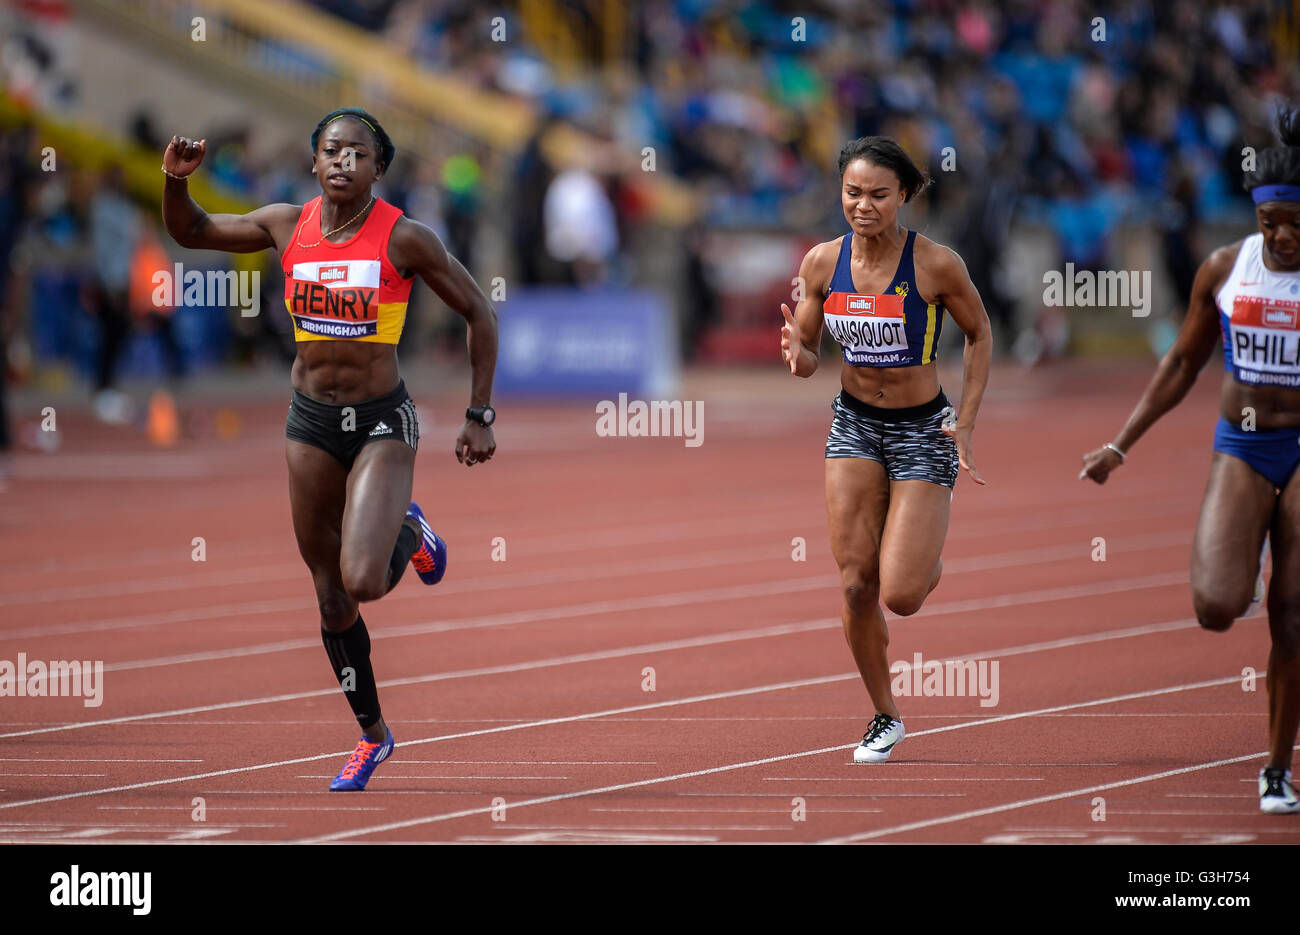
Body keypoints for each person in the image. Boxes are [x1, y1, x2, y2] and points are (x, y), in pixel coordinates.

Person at [162, 107, 499, 791]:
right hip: (311, 424)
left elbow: (479, 311)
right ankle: (372, 735)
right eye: (332, 150)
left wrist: (479, 413)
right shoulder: (286, 225)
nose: (343, 161)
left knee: (365, 579)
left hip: (380, 421)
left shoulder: (406, 239)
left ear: (379, 168)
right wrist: (175, 181)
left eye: (359, 153)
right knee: (329, 600)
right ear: (313, 162)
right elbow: (191, 229)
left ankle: (411, 528)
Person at [1080, 108, 1300, 815]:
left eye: (1298, 224)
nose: (1284, 237)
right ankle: (1248, 576)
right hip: (1243, 442)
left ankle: (1274, 767)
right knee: (1214, 606)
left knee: (1293, 620)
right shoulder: (1226, 269)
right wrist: (1121, 443)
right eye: (1272, 224)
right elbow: (1181, 361)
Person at [780, 136, 992, 764]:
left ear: (904, 194)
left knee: (900, 593)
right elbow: (811, 354)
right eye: (852, 193)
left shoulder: (936, 265)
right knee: (854, 586)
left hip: (924, 428)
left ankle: (922, 557)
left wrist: (968, 422)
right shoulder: (822, 262)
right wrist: (798, 355)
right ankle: (884, 715)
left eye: (877, 194)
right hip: (853, 426)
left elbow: (980, 335)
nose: (863, 205)